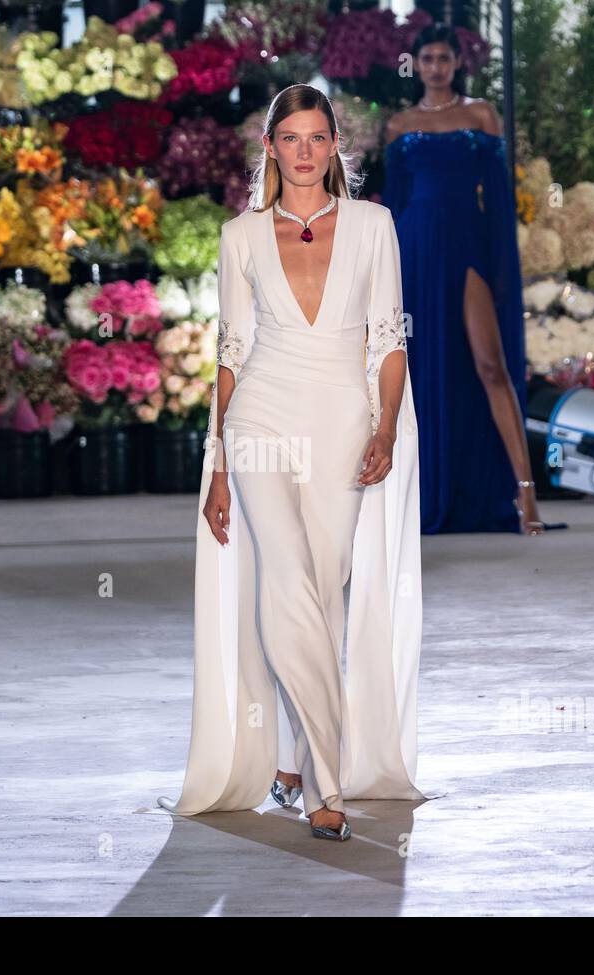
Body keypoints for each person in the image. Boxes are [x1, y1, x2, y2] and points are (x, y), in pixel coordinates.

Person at [157, 84, 428, 842]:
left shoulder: (375, 226)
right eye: (292, 139)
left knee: (326, 593)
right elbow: (231, 353)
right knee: (283, 575)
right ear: (270, 148)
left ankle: (295, 757)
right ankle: (326, 787)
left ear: (336, 144)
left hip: (344, 417)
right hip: (261, 421)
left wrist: (386, 430)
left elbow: (389, 339)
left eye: (318, 138)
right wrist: (217, 465)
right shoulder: (239, 235)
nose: (305, 152)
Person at [382, 23, 544, 535]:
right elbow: (395, 204)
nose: (434, 67)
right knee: (416, 372)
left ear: (456, 64)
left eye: (443, 59)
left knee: (489, 365)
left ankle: (525, 496)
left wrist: (500, 269)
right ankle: (413, 493)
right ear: (416, 64)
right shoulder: (399, 125)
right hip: (414, 249)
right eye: (426, 58)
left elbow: (497, 201)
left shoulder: (481, 116)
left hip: (468, 247)